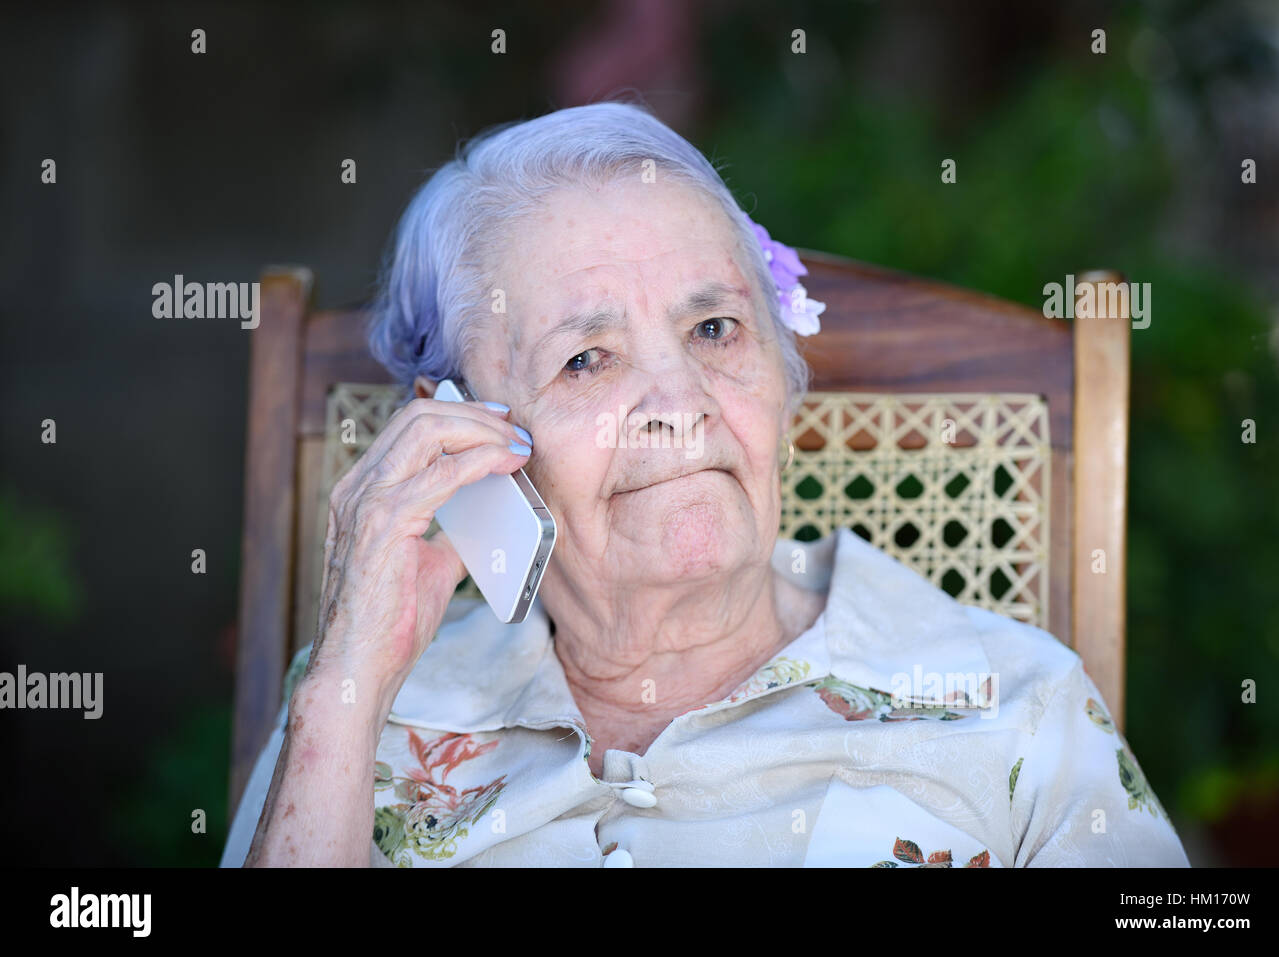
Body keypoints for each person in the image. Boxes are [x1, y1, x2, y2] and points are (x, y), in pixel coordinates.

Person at [221, 99, 1189, 867]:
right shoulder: (366, 707)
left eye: (715, 329)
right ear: (459, 436)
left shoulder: (1012, 702)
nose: (678, 400)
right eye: (588, 358)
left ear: (782, 374)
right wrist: (346, 683)